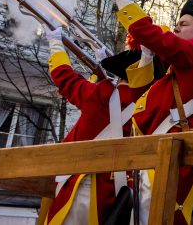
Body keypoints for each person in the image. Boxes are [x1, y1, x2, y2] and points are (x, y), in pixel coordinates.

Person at [97, 0, 193, 225]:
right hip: (158, 158)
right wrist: (146, 56)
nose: (176, 27)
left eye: (184, 24)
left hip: (169, 159)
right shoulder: (184, 65)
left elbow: (156, 36)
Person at [43, 30, 158, 225]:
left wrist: (55, 43)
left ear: (120, 76)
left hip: (81, 186)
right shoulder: (147, 102)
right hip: (119, 194)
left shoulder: (101, 93)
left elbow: (65, 78)